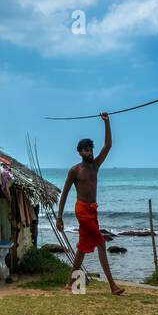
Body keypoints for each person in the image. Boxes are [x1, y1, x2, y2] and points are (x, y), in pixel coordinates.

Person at [56, 113, 124, 295]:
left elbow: (108, 145)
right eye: (85, 149)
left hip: (93, 210)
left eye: (90, 149)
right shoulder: (74, 170)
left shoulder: (95, 166)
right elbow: (64, 194)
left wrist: (107, 122)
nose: (89, 152)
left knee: (82, 248)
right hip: (82, 210)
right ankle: (112, 286)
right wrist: (59, 217)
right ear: (79, 151)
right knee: (101, 242)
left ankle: (70, 283)